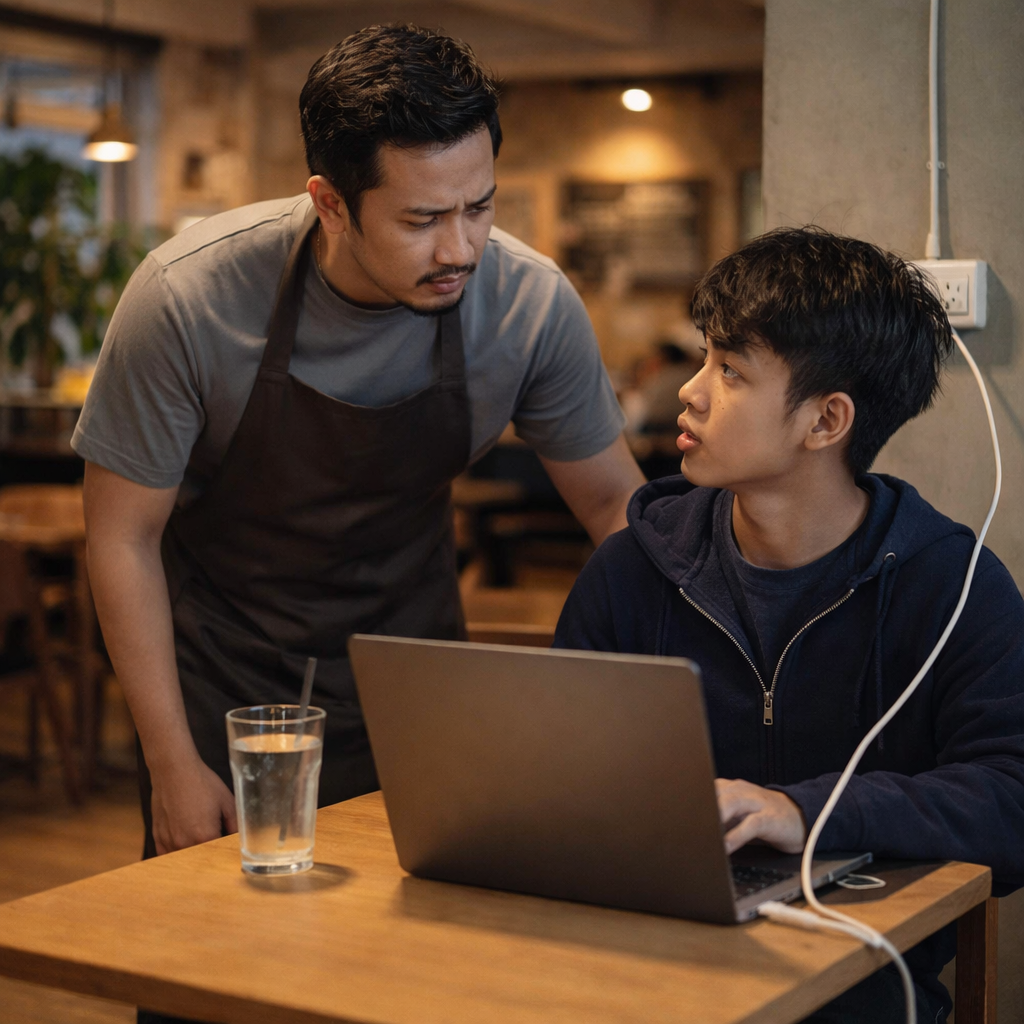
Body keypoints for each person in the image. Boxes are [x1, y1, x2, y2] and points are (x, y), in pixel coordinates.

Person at [78, 25, 643, 888]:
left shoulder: (529, 307)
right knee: (212, 967)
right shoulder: (187, 299)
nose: (460, 248)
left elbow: (614, 509)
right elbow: (121, 539)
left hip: (413, 684)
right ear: (330, 202)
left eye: (480, 207)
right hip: (225, 692)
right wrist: (170, 760)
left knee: (407, 971)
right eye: (422, 219)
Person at [554, 227, 1024, 1023]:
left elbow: (1010, 800)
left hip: (860, 987)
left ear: (826, 421)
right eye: (705, 358)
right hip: (641, 972)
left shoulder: (951, 583)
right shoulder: (633, 569)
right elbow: (551, 771)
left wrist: (803, 811)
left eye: (731, 372)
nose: (690, 392)